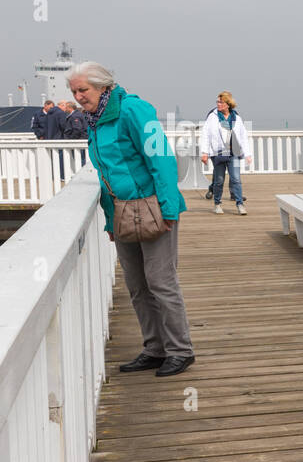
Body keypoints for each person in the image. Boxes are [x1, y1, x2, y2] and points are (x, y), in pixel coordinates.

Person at [67, 61, 194, 377]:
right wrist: (111, 222)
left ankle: (180, 350)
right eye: (74, 91)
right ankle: (154, 349)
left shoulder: (134, 110)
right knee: (137, 285)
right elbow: (106, 175)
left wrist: (167, 209)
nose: (78, 96)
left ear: (103, 86)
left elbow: (161, 159)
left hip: (152, 207)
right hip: (123, 212)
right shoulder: (95, 121)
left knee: (161, 282)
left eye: (83, 89)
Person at [199, 91, 253, 215]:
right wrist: (204, 152)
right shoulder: (213, 117)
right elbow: (206, 135)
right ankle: (217, 204)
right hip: (218, 153)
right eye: (217, 102)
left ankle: (240, 204)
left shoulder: (236, 118)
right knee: (219, 180)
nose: (218, 104)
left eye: (221, 102)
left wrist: (247, 154)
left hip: (233, 152)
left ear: (228, 104)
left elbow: (243, 136)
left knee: (236, 179)